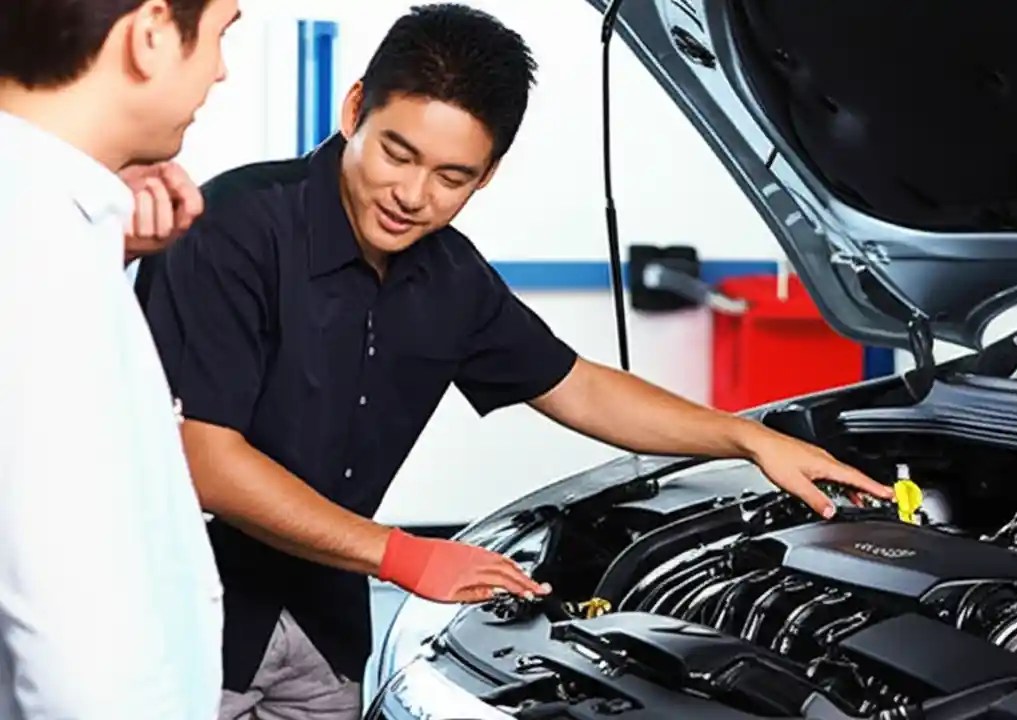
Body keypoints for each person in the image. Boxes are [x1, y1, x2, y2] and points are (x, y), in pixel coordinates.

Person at [135, 4, 894, 718]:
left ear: (488, 173)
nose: (411, 195)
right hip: (182, 623)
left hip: (326, 628)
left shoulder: (451, 278)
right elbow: (204, 455)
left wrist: (751, 439)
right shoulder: (231, 230)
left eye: (452, 177)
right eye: (397, 153)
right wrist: (403, 556)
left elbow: (581, 387)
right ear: (354, 107)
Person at [0, 1, 241, 718]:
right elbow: (82, 659)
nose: (222, 70)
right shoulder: (40, 262)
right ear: (153, 32)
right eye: (221, 33)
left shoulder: (47, 229)